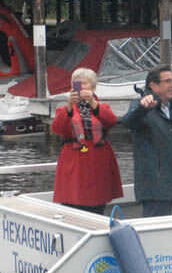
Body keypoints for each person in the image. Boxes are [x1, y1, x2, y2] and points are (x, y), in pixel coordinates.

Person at [50, 67, 123, 215]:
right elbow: (57, 128)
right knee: (72, 202)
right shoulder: (64, 109)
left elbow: (111, 121)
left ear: (93, 87)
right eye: (76, 84)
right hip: (74, 161)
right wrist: (69, 105)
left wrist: (92, 102)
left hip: (98, 160)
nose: (80, 87)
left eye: (84, 83)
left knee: (97, 200)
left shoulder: (102, 107)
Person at [121, 66, 172, 218]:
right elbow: (128, 121)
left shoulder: (171, 108)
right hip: (155, 185)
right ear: (153, 85)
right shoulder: (143, 106)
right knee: (154, 229)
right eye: (167, 81)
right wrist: (142, 107)